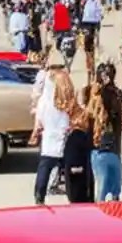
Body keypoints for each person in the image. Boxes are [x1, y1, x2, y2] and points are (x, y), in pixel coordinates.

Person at [84, 61, 122, 201]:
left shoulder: (92, 93)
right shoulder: (116, 94)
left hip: (98, 146)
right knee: (112, 185)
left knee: (101, 184)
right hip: (111, 145)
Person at [30, 68, 75, 205]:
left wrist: (36, 131)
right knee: (68, 169)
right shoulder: (65, 100)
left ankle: (39, 196)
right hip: (65, 138)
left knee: (45, 168)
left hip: (49, 139)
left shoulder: (45, 101)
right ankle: (73, 195)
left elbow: (39, 119)